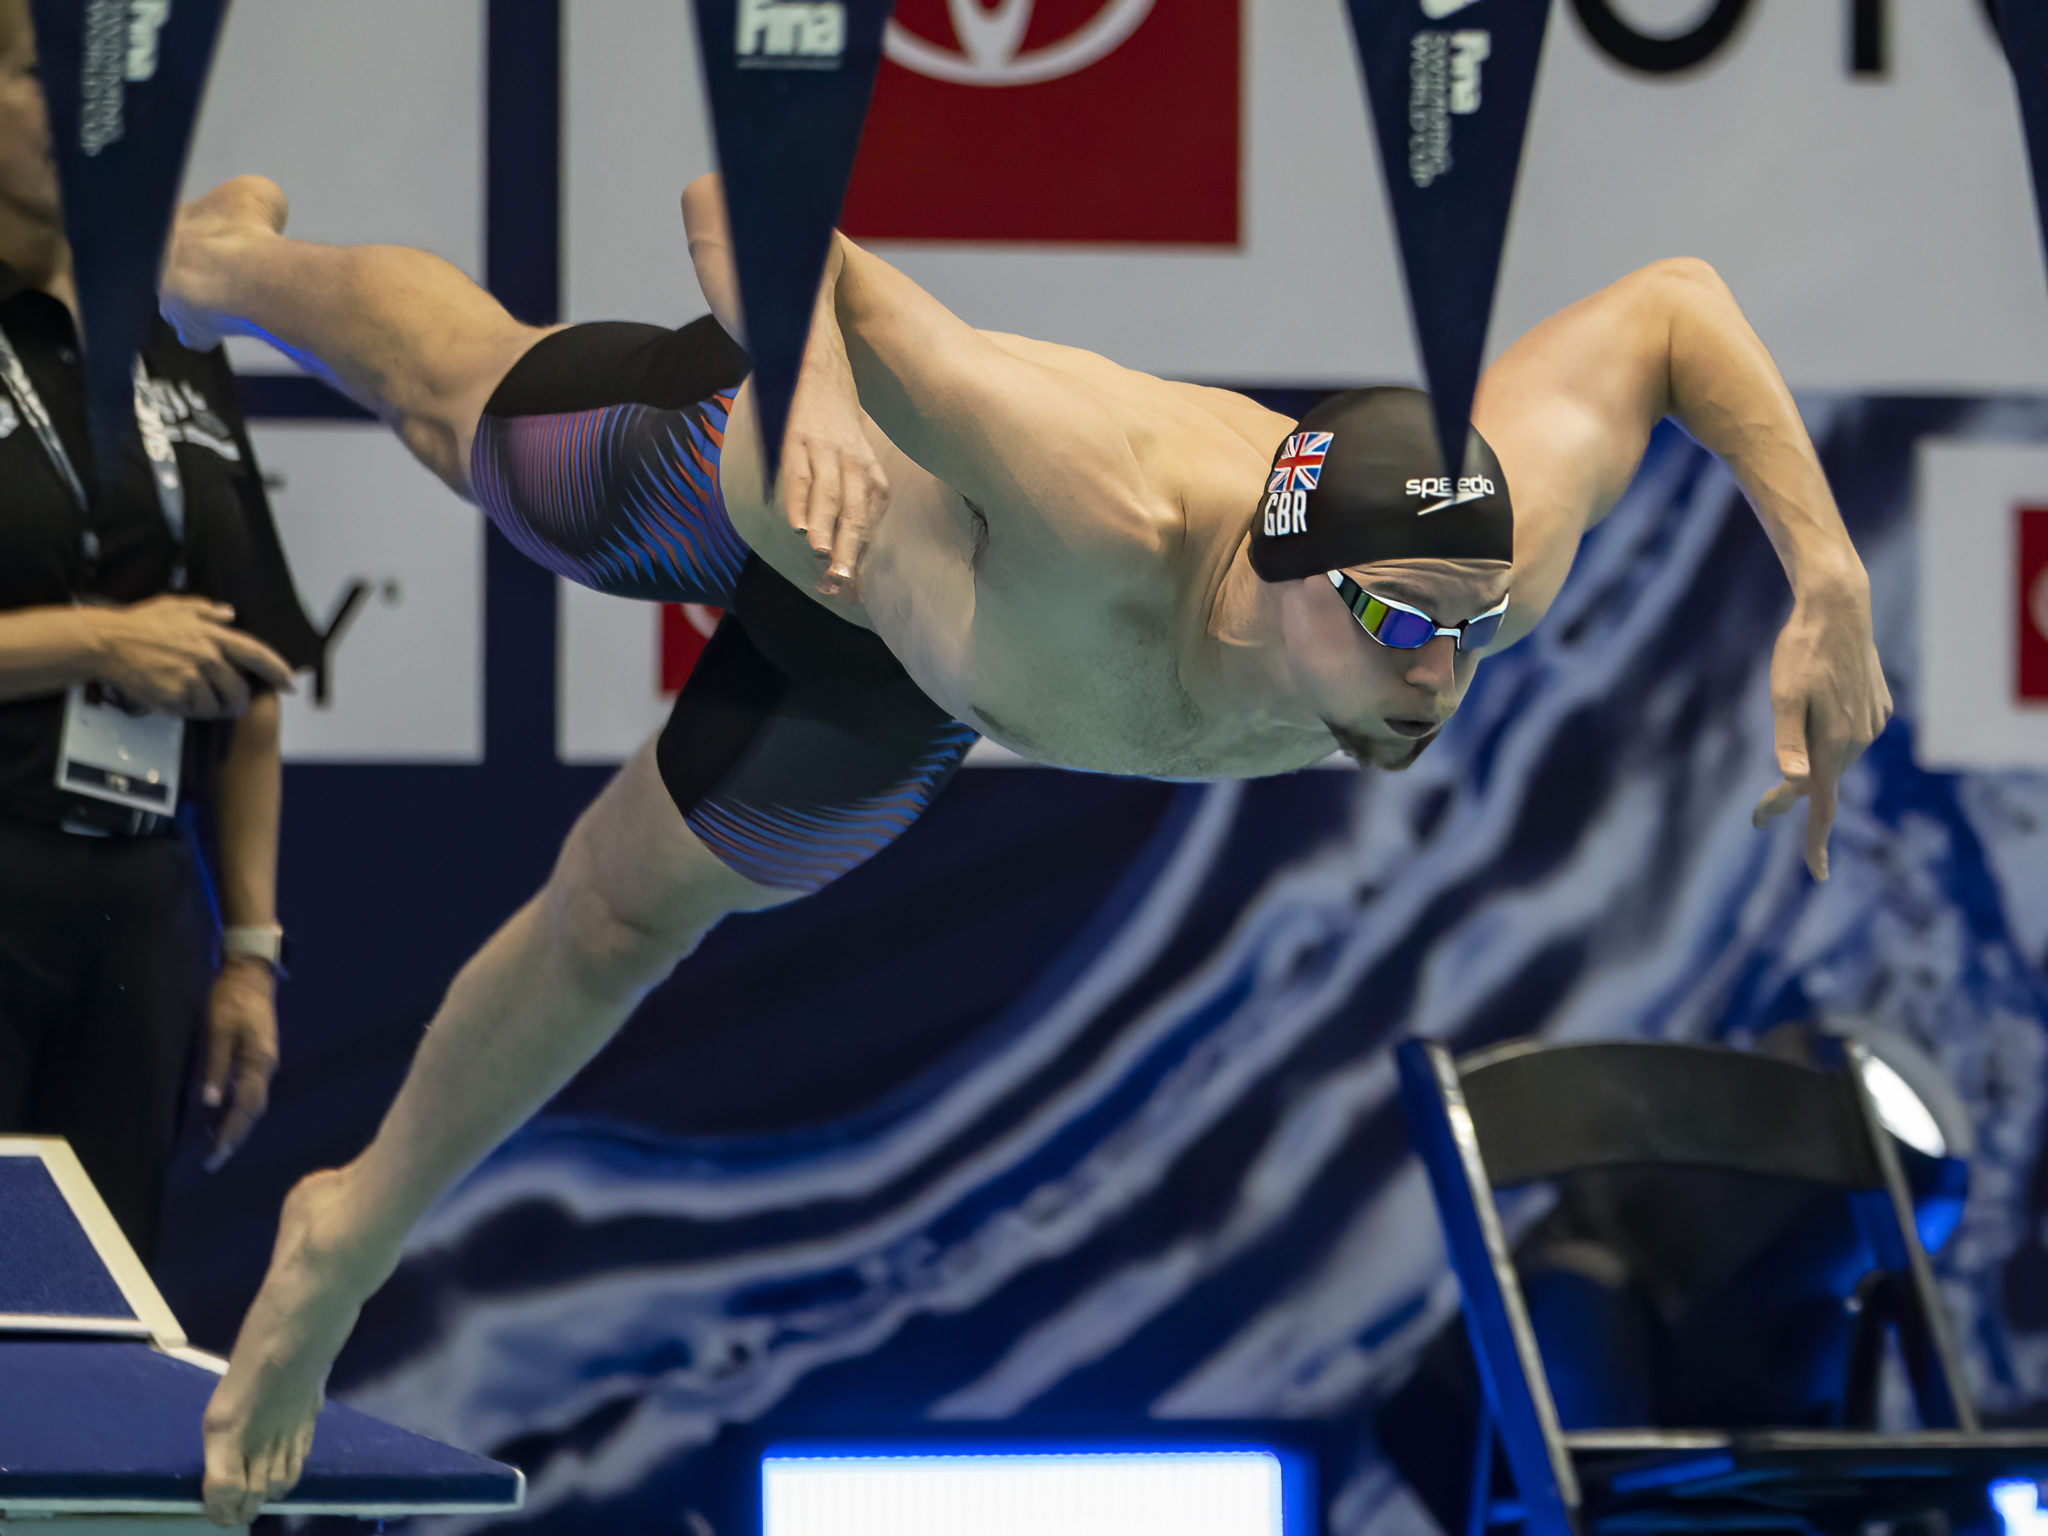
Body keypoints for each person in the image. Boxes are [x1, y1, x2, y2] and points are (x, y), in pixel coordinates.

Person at [159, 171, 1891, 1523]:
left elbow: (1672, 307)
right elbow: (732, 204)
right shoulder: (1090, 494)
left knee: (621, 914)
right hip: (772, 483)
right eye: (1390, 620)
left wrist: (1822, 573)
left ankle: (347, 1234)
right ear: (1280, 563)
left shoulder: (1481, 557)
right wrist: (823, 386)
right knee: (461, 406)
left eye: (1471, 625)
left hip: (902, 679)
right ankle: (218, 261)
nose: (1436, 672)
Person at [0, 11, 315, 1261]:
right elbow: (128, 644)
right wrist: (90, 644)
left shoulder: (176, 338)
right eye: (37, 79)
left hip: (137, 911)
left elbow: (252, 678)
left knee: (98, 1321)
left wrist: (249, 952)